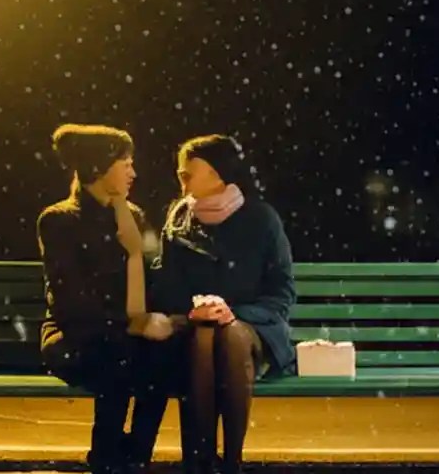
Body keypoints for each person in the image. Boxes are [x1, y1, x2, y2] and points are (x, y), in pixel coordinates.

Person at [148, 135, 297, 474]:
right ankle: (201, 460)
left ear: (217, 175)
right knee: (203, 337)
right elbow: (165, 283)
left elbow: (281, 291)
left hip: (253, 328)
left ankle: (231, 460)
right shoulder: (179, 218)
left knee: (229, 336)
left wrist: (235, 313)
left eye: (188, 174)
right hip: (193, 324)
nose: (180, 181)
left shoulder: (261, 218)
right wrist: (192, 309)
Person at [37, 123, 180, 474]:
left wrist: (165, 318)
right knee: (118, 352)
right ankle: (107, 458)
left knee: (164, 355)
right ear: (98, 168)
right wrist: (131, 323)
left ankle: (135, 455)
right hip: (74, 335)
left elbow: (152, 274)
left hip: (125, 333)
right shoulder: (59, 220)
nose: (133, 171)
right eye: (125, 162)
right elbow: (71, 301)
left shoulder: (133, 216)